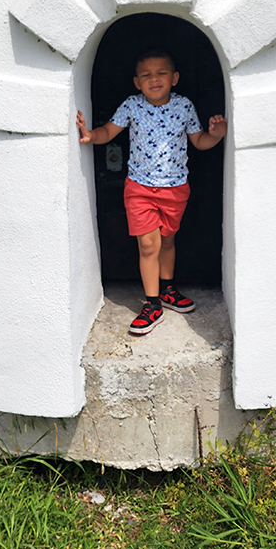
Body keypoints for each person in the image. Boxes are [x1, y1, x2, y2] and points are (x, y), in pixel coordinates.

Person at [76, 48, 227, 335]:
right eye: (146, 75)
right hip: (139, 188)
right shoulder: (132, 106)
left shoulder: (184, 106)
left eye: (161, 74)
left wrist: (216, 135)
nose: (154, 80)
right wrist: (91, 135)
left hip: (175, 188)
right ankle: (153, 303)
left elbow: (199, 141)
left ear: (174, 78)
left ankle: (168, 290)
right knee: (148, 246)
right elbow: (109, 132)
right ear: (137, 82)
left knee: (167, 243)